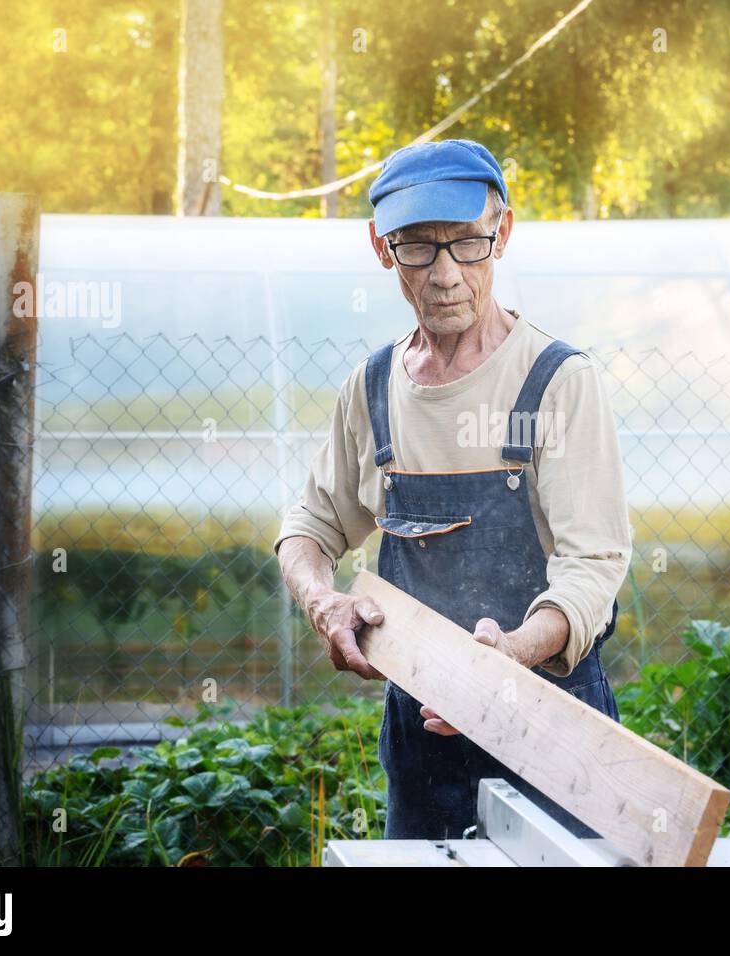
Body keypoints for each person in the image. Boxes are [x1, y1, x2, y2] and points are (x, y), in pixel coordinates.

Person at [273, 138, 632, 839]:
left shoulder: (557, 381)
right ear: (381, 247)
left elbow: (594, 565)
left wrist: (517, 652)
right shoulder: (372, 390)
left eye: (467, 244)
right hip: (423, 741)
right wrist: (322, 602)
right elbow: (310, 528)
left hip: (551, 725)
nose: (444, 275)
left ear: (503, 233)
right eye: (417, 247)